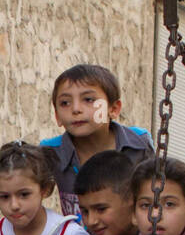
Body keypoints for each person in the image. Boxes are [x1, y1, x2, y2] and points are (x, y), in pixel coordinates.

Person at [40, 63, 154, 218]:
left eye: (88, 99)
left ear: (113, 109)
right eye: (65, 103)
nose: (76, 109)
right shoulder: (50, 152)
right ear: (57, 116)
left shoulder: (138, 143)